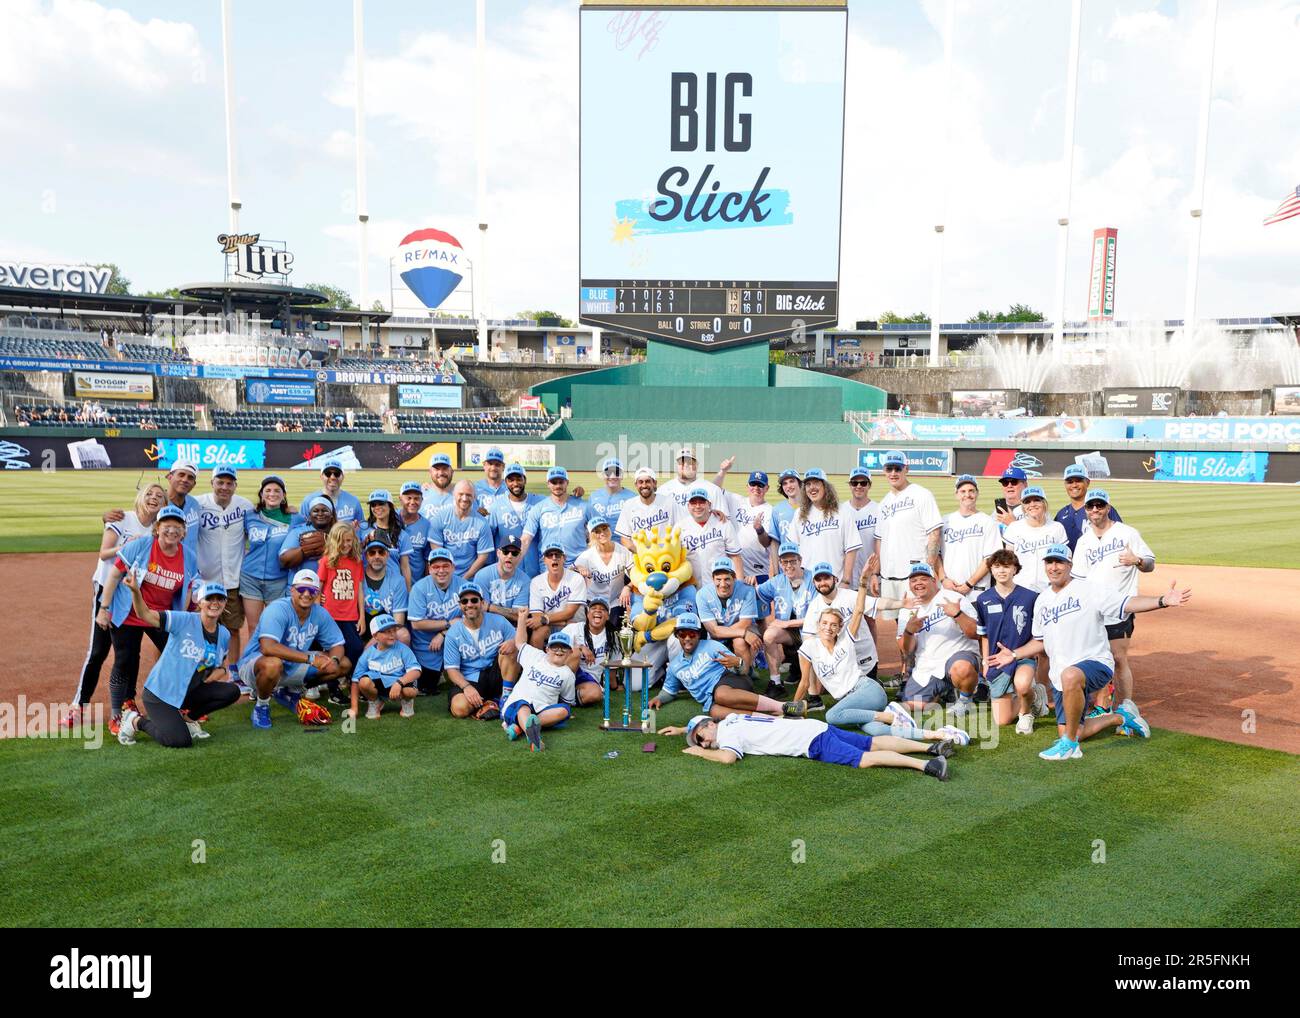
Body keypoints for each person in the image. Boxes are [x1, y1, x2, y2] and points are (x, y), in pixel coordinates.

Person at [986, 544, 1187, 760]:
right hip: (1062, 675)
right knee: (1073, 729)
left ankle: (1070, 746)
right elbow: (1039, 641)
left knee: (1071, 677)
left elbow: (1127, 603)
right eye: (1050, 562)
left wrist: (1162, 601)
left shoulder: (1090, 589)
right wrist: (1014, 654)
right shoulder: (1042, 600)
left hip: (1094, 662)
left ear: (1070, 565)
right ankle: (1120, 718)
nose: (1054, 567)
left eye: (1059, 562)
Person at [793, 585, 968, 745]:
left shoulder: (845, 640)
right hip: (853, 702)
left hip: (868, 690)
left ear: (839, 628)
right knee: (876, 731)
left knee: (832, 716)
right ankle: (940, 735)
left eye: (833, 625)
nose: (828, 628)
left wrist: (863, 582)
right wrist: (792, 709)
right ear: (818, 625)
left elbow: (859, 610)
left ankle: (889, 715)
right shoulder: (810, 646)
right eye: (824, 623)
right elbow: (804, 683)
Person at [63, 482, 165, 729]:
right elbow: (104, 552)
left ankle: (126, 705)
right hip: (106, 591)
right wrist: (131, 545)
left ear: (164, 504)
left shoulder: (159, 528)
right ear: (141, 497)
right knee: (98, 650)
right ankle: (79, 705)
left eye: (159, 496)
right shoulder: (123, 519)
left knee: (129, 653)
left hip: (133, 593)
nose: (153, 498)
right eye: (149, 494)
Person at [95, 505, 199, 734]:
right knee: (125, 660)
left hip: (160, 616)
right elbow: (114, 574)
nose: (171, 531)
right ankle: (119, 711)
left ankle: (176, 704)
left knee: (177, 655)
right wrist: (104, 608)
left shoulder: (188, 556)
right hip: (129, 613)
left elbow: (189, 590)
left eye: (177, 527)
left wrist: (187, 618)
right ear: (157, 528)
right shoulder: (141, 546)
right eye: (166, 526)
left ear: (183, 532)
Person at [116, 580, 242, 748]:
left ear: (225, 602)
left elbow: (218, 663)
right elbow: (145, 614)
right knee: (179, 741)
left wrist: (221, 669)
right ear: (199, 601)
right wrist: (135, 591)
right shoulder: (183, 620)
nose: (215, 602)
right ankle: (136, 721)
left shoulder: (224, 634)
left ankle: (189, 719)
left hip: (188, 692)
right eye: (209, 598)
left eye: (220, 598)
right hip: (160, 695)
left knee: (232, 691)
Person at [662, 712, 954, 780]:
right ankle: (930, 747)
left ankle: (928, 765)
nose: (702, 742)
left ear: (709, 726)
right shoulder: (732, 719)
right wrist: (681, 730)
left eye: (700, 735)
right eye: (699, 740)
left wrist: (699, 752)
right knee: (872, 741)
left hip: (809, 741)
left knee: (865, 758)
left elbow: (728, 759)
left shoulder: (726, 736)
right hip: (810, 726)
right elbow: (767, 716)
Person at [1070, 489, 1155, 720]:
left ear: (1108, 507)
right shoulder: (1084, 541)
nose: (1095, 510)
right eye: (1091, 506)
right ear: (1086, 510)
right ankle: (1102, 704)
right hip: (1093, 610)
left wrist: (1136, 560)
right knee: (1096, 657)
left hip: (1121, 607)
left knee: (1118, 658)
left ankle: (1127, 709)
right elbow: (1078, 578)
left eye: (1099, 505)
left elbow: (1150, 564)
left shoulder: (1126, 533)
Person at [236, 569, 351, 729]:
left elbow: (337, 644)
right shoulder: (277, 609)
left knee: (343, 664)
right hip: (255, 665)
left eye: (311, 590)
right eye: (301, 589)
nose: (306, 594)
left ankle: (291, 691)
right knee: (273, 664)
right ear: (292, 590)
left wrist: (333, 660)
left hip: (292, 664)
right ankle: (262, 705)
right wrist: (311, 659)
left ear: (317, 593)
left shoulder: (319, 613)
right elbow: (267, 647)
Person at [650, 612, 807, 720]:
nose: (687, 639)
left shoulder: (711, 646)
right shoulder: (675, 665)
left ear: (699, 634)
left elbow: (743, 669)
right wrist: (659, 698)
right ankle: (775, 718)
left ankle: (785, 706)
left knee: (721, 694)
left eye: (692, 634)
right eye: (682, 634)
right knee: (715, 712)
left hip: (730, 680)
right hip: (711, 700)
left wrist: (737, 663)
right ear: (677, 635)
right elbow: (669, 690)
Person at [871, 450, 942, 672]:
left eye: (897, 468)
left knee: (916, 625)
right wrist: (876, 573)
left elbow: (934, 531)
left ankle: (915, 673)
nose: (893, 472)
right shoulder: (884, 503)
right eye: (889, 469)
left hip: (913, 575)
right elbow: (880, 540)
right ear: (884, 472)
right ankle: (906, 671)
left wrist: (928, 568)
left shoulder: (921, 494)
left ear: (906, 469)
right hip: (890, 575)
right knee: (898, 626)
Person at [973, 549, 1047, 734]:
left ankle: (1026, 713)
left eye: (1007, 566)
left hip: (1022, 656)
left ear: (1015, 569)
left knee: (1022, 685)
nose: (1001, 571)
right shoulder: (983, 599)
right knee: (1002, 720)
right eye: (997, 566)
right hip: (997, 660)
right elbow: (984, 635)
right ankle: (1032, 696)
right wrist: (985, 661)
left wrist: (1026, 652)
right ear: (991, 569)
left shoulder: (1031, 597)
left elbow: (1038, 634)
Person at [895, 563, 981, 714]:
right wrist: (909, 631)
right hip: (927, 666)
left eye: (923, 579)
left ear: (934, 581)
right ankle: (946, 691)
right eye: (914, 580)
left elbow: (976, 633)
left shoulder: (954, 598)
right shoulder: (908, 609)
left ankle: (966, 699)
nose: (918, 583)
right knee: (911, 706)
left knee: (962, 669)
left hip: (958, 657)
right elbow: (906, 650)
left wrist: (958, 615)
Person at [196, 465, 254, 671]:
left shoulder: (245, 506)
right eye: (220, 482)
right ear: (212, 483)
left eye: (229, 483)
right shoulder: (198, 505)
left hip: (233, 581)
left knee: (233, 629)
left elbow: (267, 520)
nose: (224, 487)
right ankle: (202, 670)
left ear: (235, 485)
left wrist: (289, 510)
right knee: (202, 628)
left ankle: (234, 670)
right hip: (204, 582)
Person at [500, 615, 577, 752]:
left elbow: (567, 700)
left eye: (563, 648)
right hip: (517, 704)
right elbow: (519, 642)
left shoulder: (568, 674)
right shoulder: (535, 656)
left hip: (542, 710)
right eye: (555, 647)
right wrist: (522, 618)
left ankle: (519, 728)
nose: (559, 651)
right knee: (524, 707)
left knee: (564, 710)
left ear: (570, 652)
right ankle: (533, 738)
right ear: (547, 649)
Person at [444, 581, 519, 720]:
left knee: (512, 648)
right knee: (459, 708)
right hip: (472, 678)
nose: (469, 604)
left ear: (482, 603)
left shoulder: (499, 621)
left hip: (499, 673)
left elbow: (520, 641)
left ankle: (506, 697)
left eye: (474, 600)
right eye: (464, 601)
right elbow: (452, 670)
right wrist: (466, 687)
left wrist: (513, 642)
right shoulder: (452, 633)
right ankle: (490, 703)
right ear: (460, 605)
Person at [103, 460, 203, 558]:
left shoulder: (195, 504)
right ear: (169, 477)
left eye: (190, 478)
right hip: (167, 565)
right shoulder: (157, 505)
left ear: (194, 484)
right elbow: (138, 517)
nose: (185, 480)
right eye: (181, 475)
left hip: (190, 564)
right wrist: (106, 517)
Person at [757, 541, 816, 697]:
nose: (788, 565)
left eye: (792, 561)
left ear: (800, 561)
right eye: (784, 562)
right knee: (769, 635)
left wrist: (787, 623)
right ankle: (776, 682)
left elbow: (818, 617)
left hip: (812, 632)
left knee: (820, 689)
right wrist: (748, 585)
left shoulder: (813, 579)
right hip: (790, 634)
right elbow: (756, 594)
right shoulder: (777, 581)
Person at [314, 523, 366, 701]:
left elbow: (359, 590)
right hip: (330, 615)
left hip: (350, 615)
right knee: (333, 652)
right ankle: (333, 690)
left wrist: (362, 617)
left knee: (356, 647)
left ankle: (346, 678)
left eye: (349, 541)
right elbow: (318, 588)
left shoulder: (357, 561)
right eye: (342, 541)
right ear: (335, 541)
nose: (346, 545)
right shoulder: (327, 561)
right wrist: (318, 612)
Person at [239, 475, 293, 643]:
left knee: (275, 626)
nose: (272, 494)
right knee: (253, 626)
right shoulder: (249, 516)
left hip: (278, 579)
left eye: (277, 491)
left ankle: (273, 662)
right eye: (268, 490)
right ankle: (250, 663)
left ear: (283, 496)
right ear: (261, 494)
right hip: (250, 577)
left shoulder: (294, 518)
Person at [407, 548, 467, 696]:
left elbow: (472, 617)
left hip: (455, 641)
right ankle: (437, 674)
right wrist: (448, 623)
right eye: (436, 567)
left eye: (445, 566)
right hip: (426, 647)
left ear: (453, 567)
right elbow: (416, 623)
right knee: (426, 686)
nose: (441, 570)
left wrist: (443, 633)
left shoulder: (463, 586)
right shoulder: (419, 588)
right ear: (429, 569)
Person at [789, 467, 860, 583]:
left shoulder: (843, 512)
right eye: (808, 484)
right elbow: (793, 551)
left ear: (825, 486)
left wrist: (846, 580)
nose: (812, 488)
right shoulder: (799, 514)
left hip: (835, 581)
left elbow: (851, 549)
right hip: (808, 583)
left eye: (816, 483)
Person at [938, 474, 1002, 597]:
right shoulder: (945, 521)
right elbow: (936, 555)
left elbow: (990, 558)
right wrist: (943, 579)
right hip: (949, 589)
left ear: (977, 493)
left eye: (971, 491)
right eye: (963, 491)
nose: (967, 495)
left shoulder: (988, 522)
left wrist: (969, 584)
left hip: (977, 590)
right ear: (956, 494)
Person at [695, 558, 761, 674]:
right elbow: (713, 631)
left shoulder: (747, 589)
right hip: (720, 637)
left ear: (734, 578)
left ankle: (745, 674)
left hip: (743, 631)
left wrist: (726, 632)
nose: (723, 584)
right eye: (718, 579)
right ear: (712, 579)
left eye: (727, 579)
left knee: (739, 642)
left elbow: (745, 624)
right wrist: (743, 633)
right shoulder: (702, 594)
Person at [351, 613, 421, 720]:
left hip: (401, 682)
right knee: (363, 682)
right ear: (375, 636)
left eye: (394, 630)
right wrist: (354, 708)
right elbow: (355, 681)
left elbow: (416, 671)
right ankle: (375, 701)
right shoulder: (368, 654)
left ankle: (407, 701)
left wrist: (399, 683)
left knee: (409, 691)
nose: (392, 634)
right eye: (387, 632)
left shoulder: (403, 649)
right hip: (381, 684)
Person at [1001, 487, 1068, 592]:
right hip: (1020, 587)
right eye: (1027, 502)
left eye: (1036, 500)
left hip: (1049, 588)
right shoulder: (1014, 528)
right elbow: (1007, 562)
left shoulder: (1057, 527)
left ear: (1044, 503)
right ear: (1023, 507)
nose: (1032, 504)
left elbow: (1064, 561)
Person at [520, 467, 590, 567]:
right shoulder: (539, 508)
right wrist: (515, 561)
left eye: (561, 482)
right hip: (549, 566)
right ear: (548, 484)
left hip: (579, 564)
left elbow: (597, 532)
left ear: (567, 483)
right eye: (554, 482)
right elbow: (526, 539)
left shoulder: (583, 505)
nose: (557, 486)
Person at [574, 519, 633, 628]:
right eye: (597, 531)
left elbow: (636, 575)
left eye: (605, 529)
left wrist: (628, 587)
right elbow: (572, 569)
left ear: (609, 530)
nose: (602, 533)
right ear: (591, 535)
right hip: (594, 602)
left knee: (615, 629)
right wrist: (580, 568)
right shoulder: (588, 555)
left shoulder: (622, 551)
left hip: (616, 601)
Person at [677, 487, 743, 585]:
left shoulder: (723, 523)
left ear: (709, 505)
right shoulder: (679, 527)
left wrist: (739, 584)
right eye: (693, 503)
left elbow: (735, 556)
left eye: (702, 502)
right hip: (691, 586)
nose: (698, 506)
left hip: (719, 587)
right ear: (688, 506)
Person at [561, 595, 619, 707]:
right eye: (593, 608)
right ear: (588, 614)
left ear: (607, 616)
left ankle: (564, 699)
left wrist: (614, 686)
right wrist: (581, 647)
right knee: (575, 653)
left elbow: (612, 666)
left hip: (588, 679)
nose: (598, 611)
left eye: (602, 609)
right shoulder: (574, 628)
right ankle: (559, 690)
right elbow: (556, 651)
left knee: (595, 694)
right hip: (568, 671)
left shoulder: (613, 637)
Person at [526, 542, 587, 648]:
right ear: (544, 560)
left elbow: (569, 613)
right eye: (550, 555)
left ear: (564, 558)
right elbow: (537, 617)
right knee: (538, 632)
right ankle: (536, 664)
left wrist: (544, 620)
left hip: (574, 627)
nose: (554, 558)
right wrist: (561, 622)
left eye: (557, 555)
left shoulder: (576, 578)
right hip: (554, 625)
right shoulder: (536, 582)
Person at [427, 480, 493, 580]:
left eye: (469, 495)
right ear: (453, 494)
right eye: (461, 494)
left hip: (471, 577)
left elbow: (482, 557)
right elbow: (437, 551)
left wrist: (464, 579)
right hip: (444, 575)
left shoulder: (482, 523)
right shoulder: (440, 517)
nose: (464, 498)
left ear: (474, 497)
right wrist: (449, 577)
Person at [486, 463, 542, 575]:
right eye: (511, 480)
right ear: (505, 482)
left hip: (536, 569)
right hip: (508, 571)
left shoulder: (540, 502)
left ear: (525, 480)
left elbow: (558, 500)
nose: (515, 483)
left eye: (519, 479)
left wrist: (574, 495)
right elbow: (488, 539)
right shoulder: (496, 507)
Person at [1054, 465, 1122, 551]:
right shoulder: (1061, 514)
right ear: (1065, 484)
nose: (1074, 485)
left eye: (1078, 481)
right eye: (1070, 482)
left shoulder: (1103, 509)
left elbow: (1121, 536)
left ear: (1087, 482)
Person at [614, 468, 681, 551]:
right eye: (640, 482)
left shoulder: (669, 502)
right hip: (640, 558)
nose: (644, 485)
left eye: (648, 481)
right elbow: (624, 539)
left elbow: (680, 529)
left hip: (665, 556)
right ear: (636, 485)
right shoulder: (629, 505)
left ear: (654, 483)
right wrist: (641, 554)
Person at [359, 537, 410, 642]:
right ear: (366, 556)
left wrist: (372, 644)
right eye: (372, 553)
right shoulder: (357, 576)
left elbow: (398, 623)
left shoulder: (398, 581)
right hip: (359, 631)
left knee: (403, 634)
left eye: (381, 552)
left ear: (387, 555)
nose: (377, 556)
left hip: (386, 633)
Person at [477, 533, 532, 625]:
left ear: (519, 556)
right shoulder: (482, 576)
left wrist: (491, 607)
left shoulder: (525, 580)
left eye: (514, 553)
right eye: (506, 552)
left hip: (513, 628)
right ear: (498, 553)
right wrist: (510, 612)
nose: (510, 556)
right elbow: (482, 611)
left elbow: (519, 616)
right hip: (488, 626)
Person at [733, 471, 777, 585]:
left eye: (760, 485)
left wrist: (759, 529)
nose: (756, 488)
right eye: (753, 484)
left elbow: (767, 543)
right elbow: (714, 491)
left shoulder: (771, 511)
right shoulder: (736, 502)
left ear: (767, 488)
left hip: (758, 571)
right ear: (747, 486)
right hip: (736, 569)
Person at [296, 460, 364, 530]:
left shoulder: (353, 501)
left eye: (337, 474)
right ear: (321, 477)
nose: (332, 477)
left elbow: (362, 527)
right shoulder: (308, 501)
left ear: (343, 477)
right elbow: (301, 528)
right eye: (328, 474)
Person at [658, 447, 729, 512]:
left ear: (697, 465)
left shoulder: (713, 490)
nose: (686, 465)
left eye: (690, 462)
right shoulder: (663, 491)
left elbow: (722, 520)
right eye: (681, 462)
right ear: (676, 465)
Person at [280, 495, 336, 577]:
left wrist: (330, 543)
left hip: (329, 587)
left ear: (331, 515)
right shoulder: (298, 531)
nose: (320, 514)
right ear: (309, 515)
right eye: (316, 511)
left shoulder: (339, 532)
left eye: (324, 511)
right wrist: (304, 550)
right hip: (300, 586)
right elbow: (284, 561)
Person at [396, 481, 432, 587]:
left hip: (416, 583)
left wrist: (426, 584)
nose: (412, 502)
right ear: (400, 499)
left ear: (422, 500)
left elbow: (427, 560)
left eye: (416, 498)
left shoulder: (427, 525)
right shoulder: (390, 519)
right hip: (393, 585)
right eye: (408, 498)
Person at [587, 457, 636, 531]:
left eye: (616, 473)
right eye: (608, 473)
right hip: (600, 541)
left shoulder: (632, 497)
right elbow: (588, 522)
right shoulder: (594, 496)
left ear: (622, 475)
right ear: (603, 475)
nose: (612, 476)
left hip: (623, 541)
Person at [769, 468, 803, 545]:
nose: (789, 486)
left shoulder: (812, 506)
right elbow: (774, 540)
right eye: (785, 483)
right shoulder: (777, 509)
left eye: (792, 481)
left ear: (799, 483)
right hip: (787, 556)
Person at [419, 453, 456, 517]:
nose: (441, 473)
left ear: (452, 471)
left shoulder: (462, 493)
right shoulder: (420, 493)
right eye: (437, 469)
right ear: (430, 472)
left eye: (445, 468)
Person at [473, 447, 507, 512]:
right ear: (484, 465)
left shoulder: (510, 488)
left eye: (497, 465)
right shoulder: (475, 488)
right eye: (490, 464)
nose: (493, 468)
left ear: (503, 467)